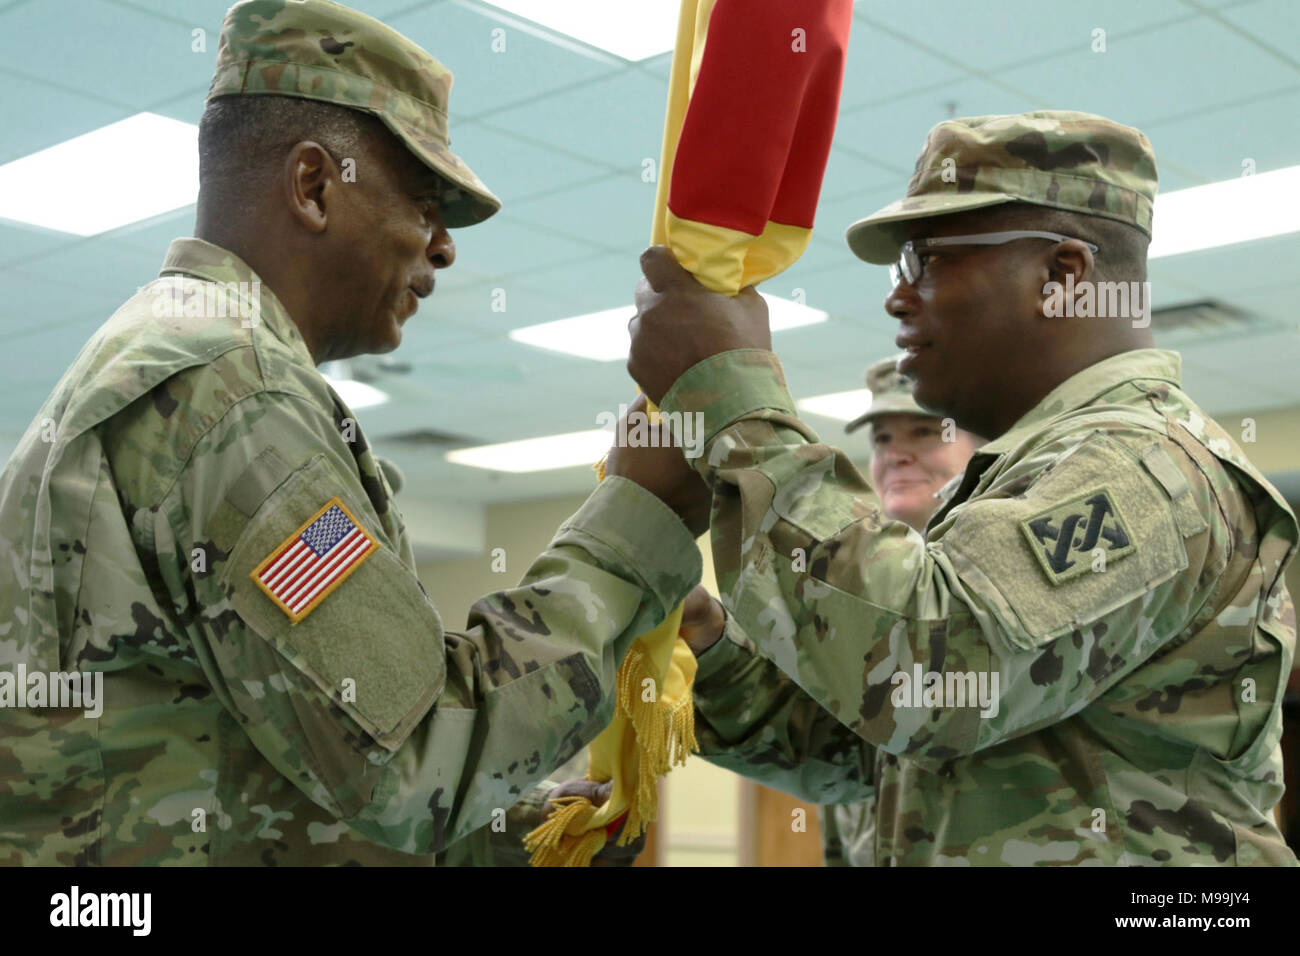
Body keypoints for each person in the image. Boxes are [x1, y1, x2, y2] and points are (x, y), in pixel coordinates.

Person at [0, 0, 703, 866]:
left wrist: (519, 839)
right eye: (424, 200)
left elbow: (288, 760)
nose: (443, 250)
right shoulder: (231, 397)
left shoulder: (180, 360)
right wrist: (635, 521)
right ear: (313, 185)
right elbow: (413, 758)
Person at [615, 110, 1298, 865]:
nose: (897, 298)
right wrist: (707, 639)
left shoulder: (1144, 467)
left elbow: (929, 676)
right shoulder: (1034, 473)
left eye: (928, 261)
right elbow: (868, 753)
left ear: (1063, 277)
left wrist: (731, 400)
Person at [820, 358, 981, 865]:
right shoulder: (863, 592)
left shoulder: (998, 577)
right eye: (882, 440)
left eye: (923, 432)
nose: (895, 455)